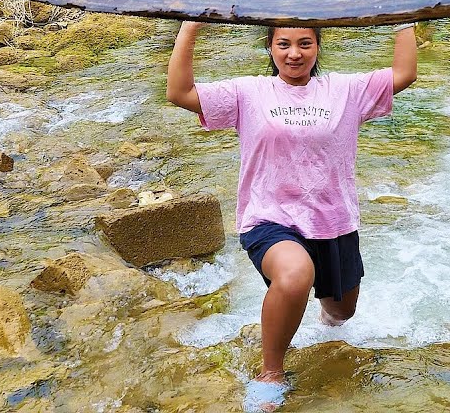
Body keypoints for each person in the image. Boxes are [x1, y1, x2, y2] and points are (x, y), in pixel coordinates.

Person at [166, 21, 418, 412]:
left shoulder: (346, 90)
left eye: (304, 43)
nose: (294, 53)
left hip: (333, 220)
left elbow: (404, 74)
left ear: (317, 47)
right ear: (270, 48)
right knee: (295, 274)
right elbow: (179, 92)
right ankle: (271, 372)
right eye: (283, 44)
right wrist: (191, 25)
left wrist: (404, 19)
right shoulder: (248, 92)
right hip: (269, 218)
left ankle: (312, 317)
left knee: (342, 312)